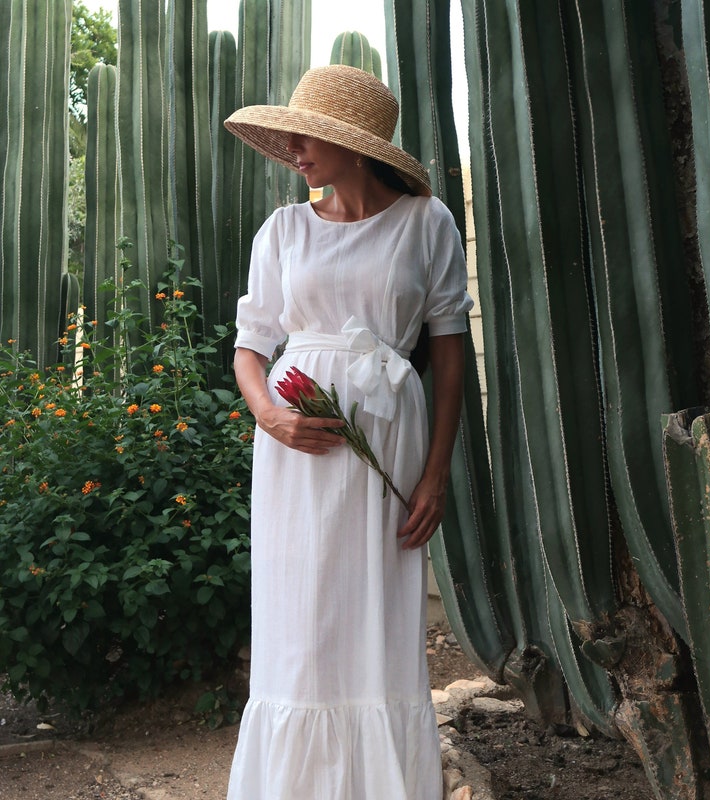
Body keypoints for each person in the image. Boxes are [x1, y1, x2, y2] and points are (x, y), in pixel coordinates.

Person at [223, 64, 473, 800]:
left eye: (309, 136)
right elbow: (249, 347)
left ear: (355, 145)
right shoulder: (284, 229)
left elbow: (450, 355)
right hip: (293, 453)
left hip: (388, 447)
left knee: (371, 619)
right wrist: (269, 415)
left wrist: (436, 471)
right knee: (300, 615)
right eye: (293, 135)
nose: (295, 148)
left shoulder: (427, 223)